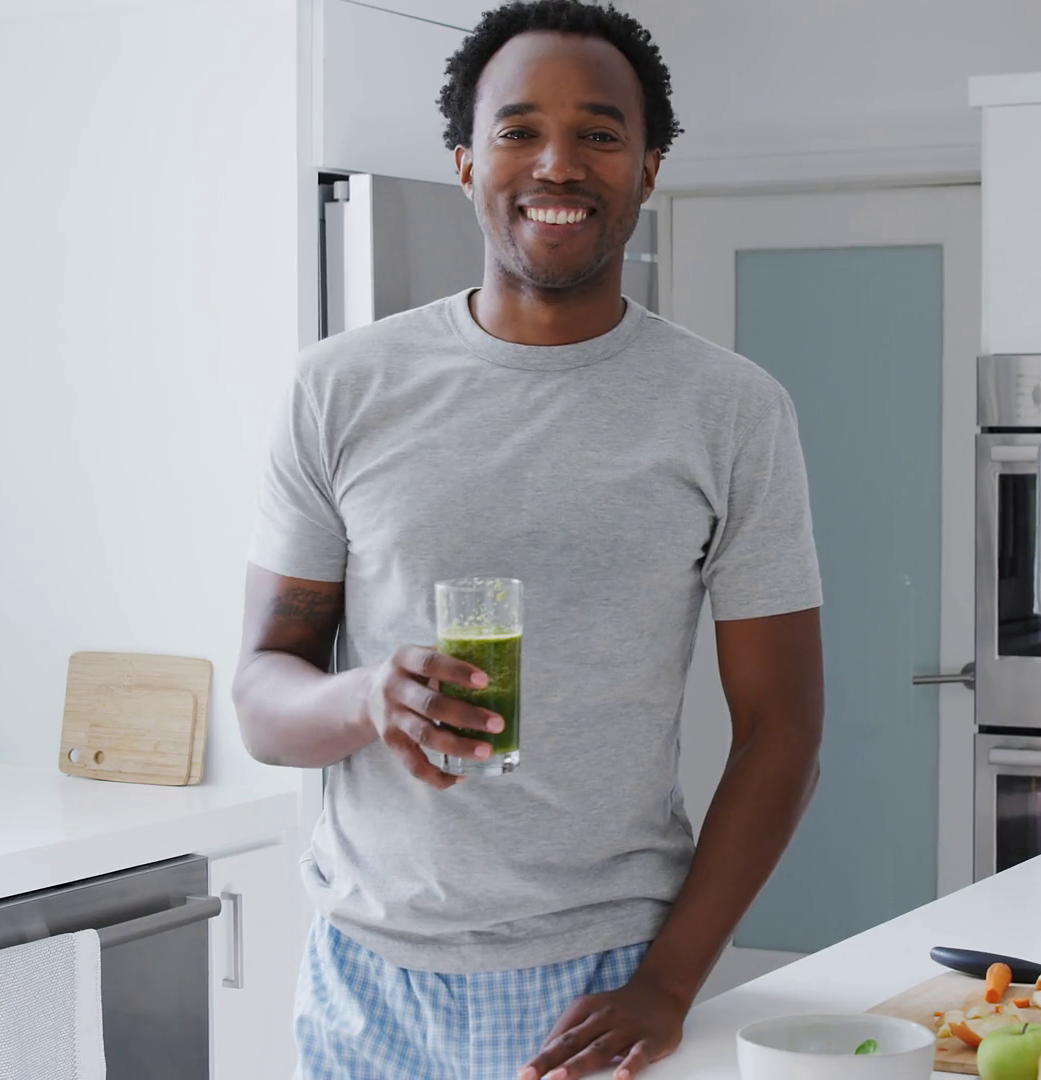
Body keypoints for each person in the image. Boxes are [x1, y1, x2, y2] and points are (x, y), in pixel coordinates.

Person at [233, 3, 824, 1077]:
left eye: (600, 133)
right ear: (465, 161)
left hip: (596, 985)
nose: (559, 162)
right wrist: (368, 697)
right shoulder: (339, 389)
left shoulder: (731, 410)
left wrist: (669, 981)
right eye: (518, 130)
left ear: (649, 168)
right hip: (362, 984)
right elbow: (264, 697)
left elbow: (782, 729)